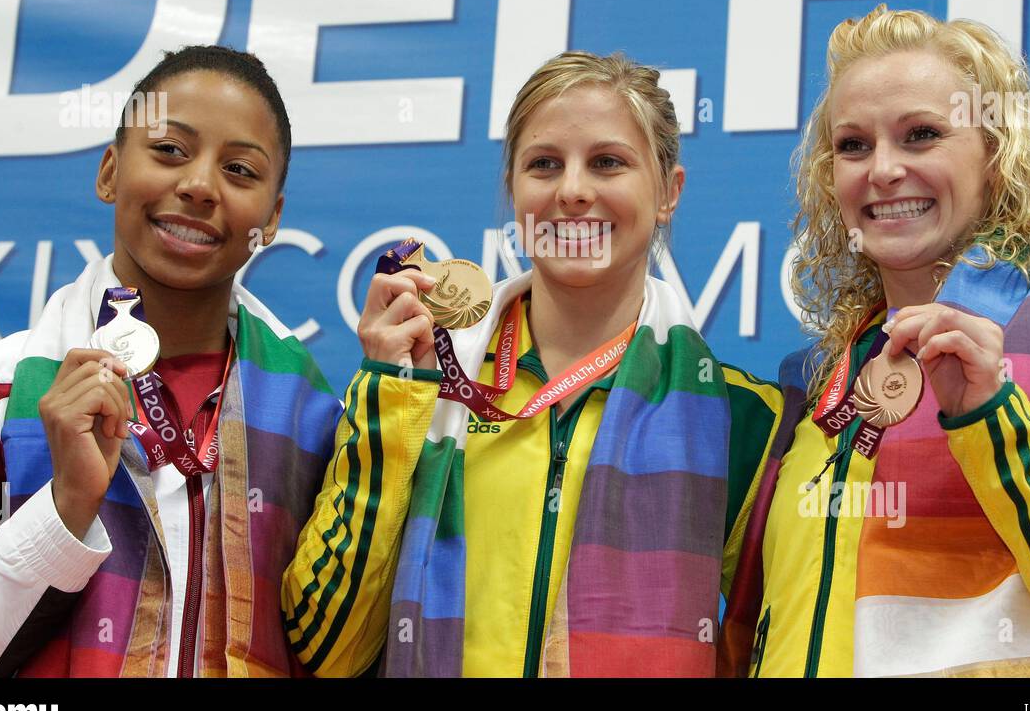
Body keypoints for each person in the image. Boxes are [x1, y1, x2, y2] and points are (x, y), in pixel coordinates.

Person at [720, 4, 1030, 678]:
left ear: (996, 160)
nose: (883, 169)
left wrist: (991, 423)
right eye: (853, 145)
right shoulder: (818, 385)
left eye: (921, 135)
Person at [283, 51, 779, 677]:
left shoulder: (739, 418)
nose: (572, 190)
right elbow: (325, 647)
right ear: (514, 190)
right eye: (544, 164)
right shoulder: (429, 380)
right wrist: (392, 393)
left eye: (608, 162)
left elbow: (772, 650)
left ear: (668, 193)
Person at [0, 46, 341, 676]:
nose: (197, 185)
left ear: (272, 218)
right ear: (110, 171)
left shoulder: (318, 424)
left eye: (241, 170)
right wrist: (64, 508)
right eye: (169, 150)